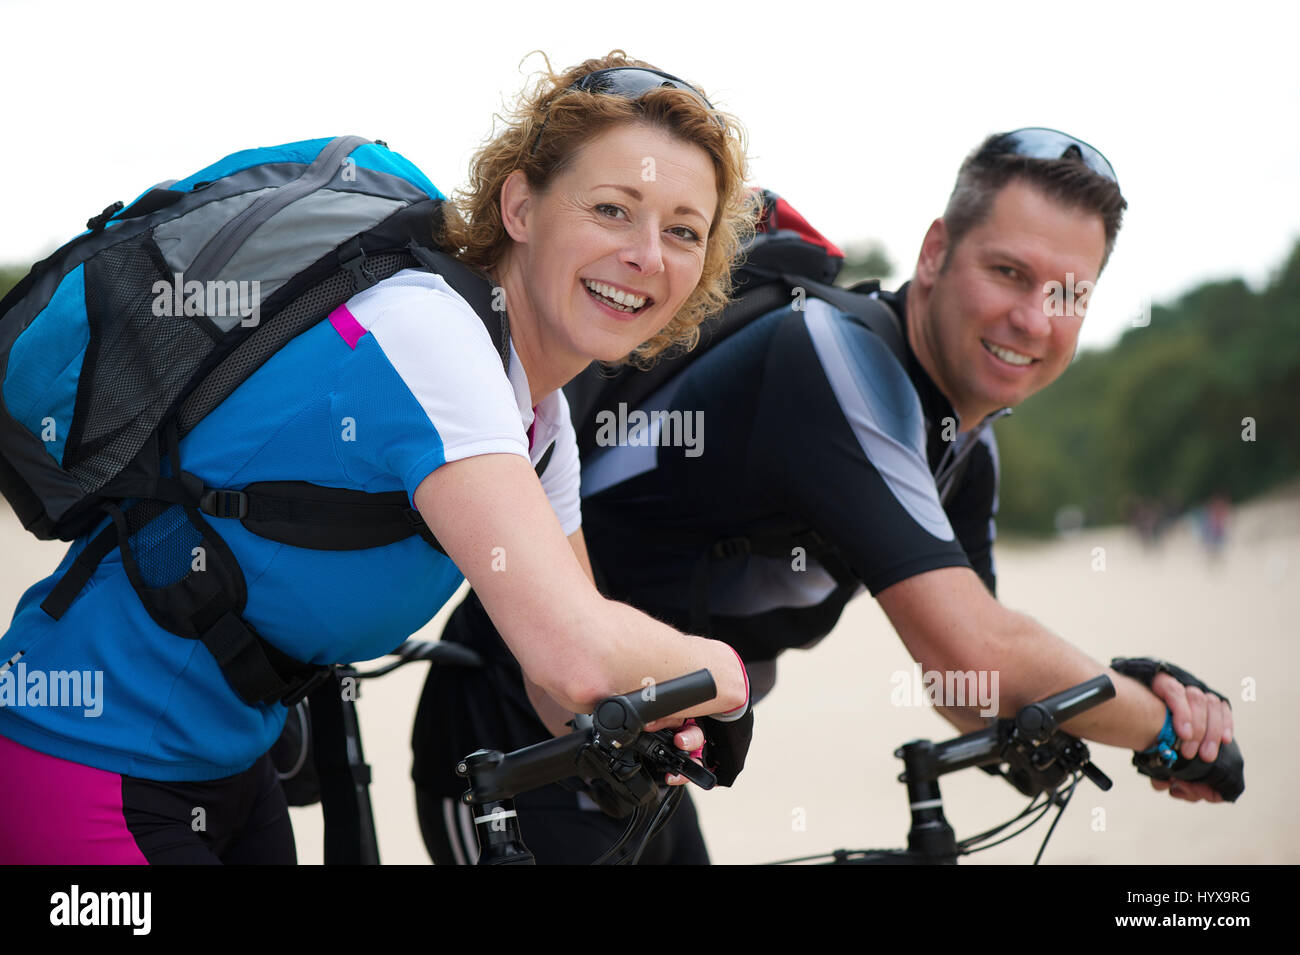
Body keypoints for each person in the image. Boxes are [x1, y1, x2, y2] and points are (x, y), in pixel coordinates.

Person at [0, 51, 757, 864]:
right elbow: (573, 654)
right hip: (86, 756)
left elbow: (555, 683)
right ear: (520, 207)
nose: (648, 254)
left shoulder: (538, 421)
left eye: (684, 230)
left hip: (229, 765)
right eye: (612, 209)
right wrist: (725, 674)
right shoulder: (424, 335)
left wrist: (654, 711)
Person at [414, 128, 1240, 864]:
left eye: (1068, 293)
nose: (1033, 316)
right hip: (517, 737)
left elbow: (968, 693)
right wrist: (1168, 728)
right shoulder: (832, 363)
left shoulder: (965, 450)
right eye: (1008, 271)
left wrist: (1119, 691)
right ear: (934, 252)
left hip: (652, 758)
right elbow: (971, 649)